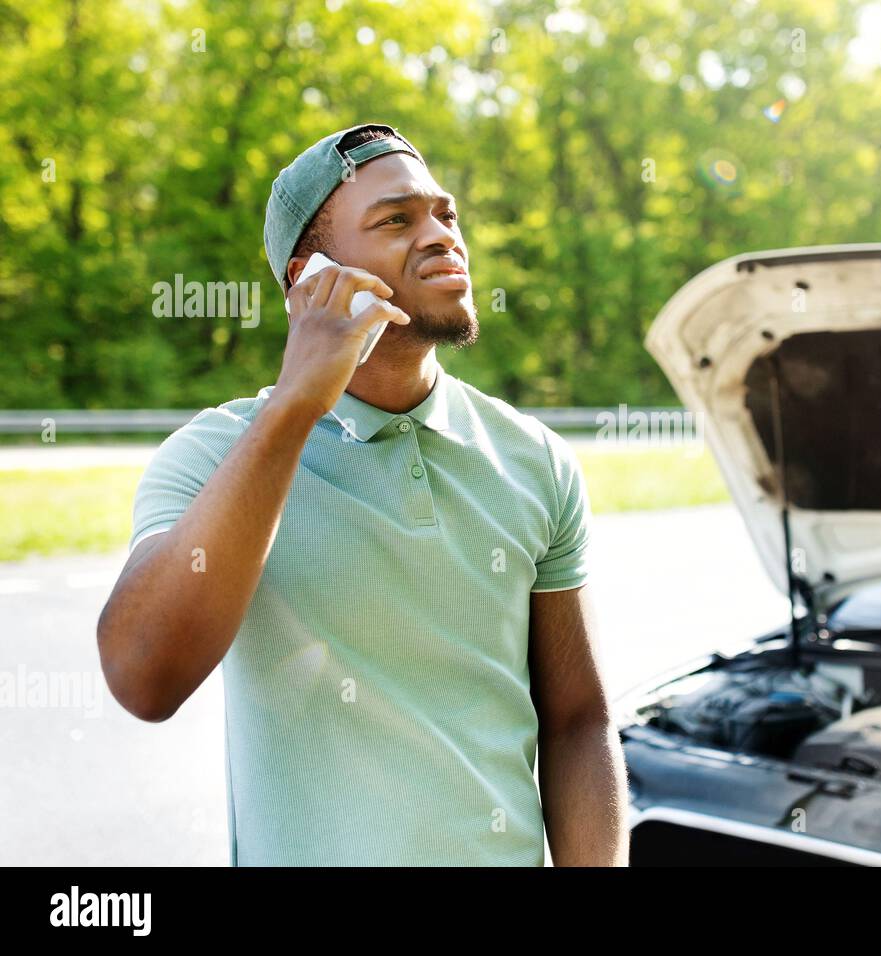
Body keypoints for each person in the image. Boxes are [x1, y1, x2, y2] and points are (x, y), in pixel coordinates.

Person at [96, 123, 629, 866]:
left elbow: (578, 720)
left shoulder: (534, 460)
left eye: (447, 215)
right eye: (396, 220)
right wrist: (295, 407)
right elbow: (142, 678)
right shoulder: (213, 456)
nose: (443, 236)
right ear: (309, 274)